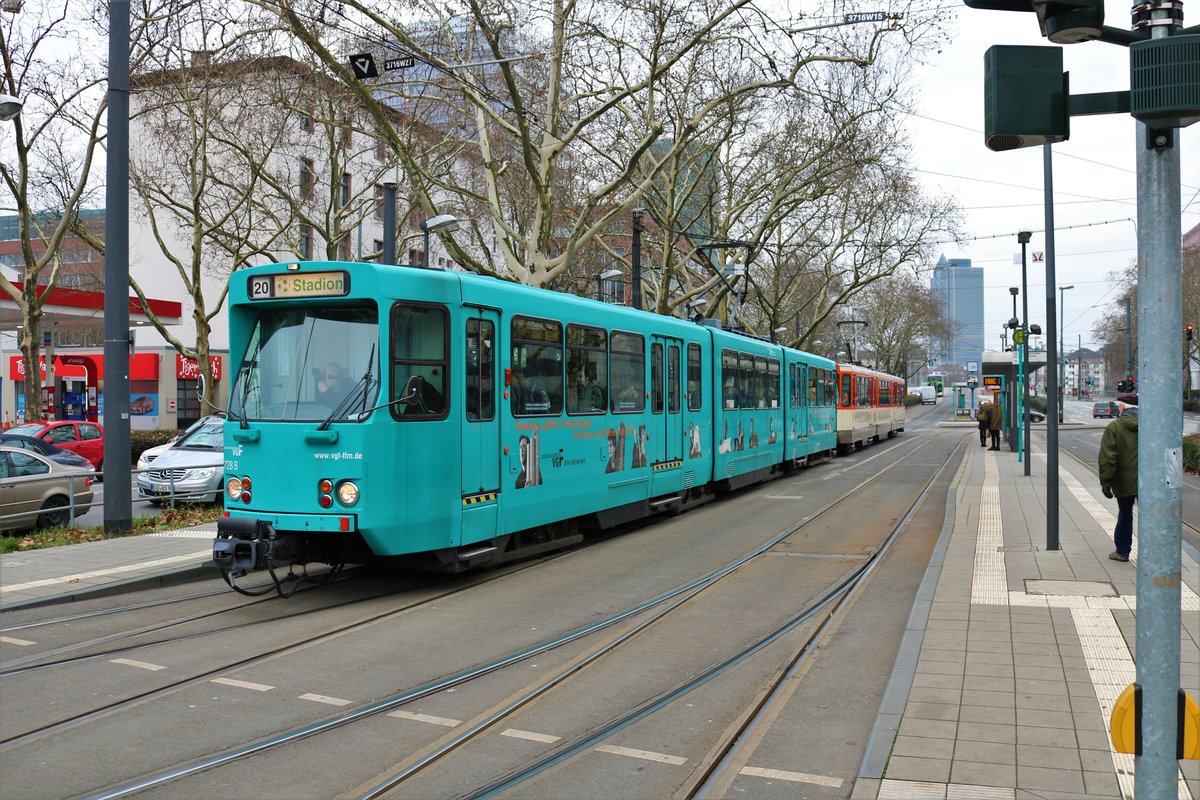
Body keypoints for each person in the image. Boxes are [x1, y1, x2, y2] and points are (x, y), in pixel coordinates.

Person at [1098, 393, 1138, 562]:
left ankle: (1122, 551)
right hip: (1151, 482)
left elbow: (1108, 458)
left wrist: (1106, 481)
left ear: (1122, 407)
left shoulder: (1114, 427)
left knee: (1125, 514)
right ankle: (1154, 553)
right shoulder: (1152, 424)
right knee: (1151, 517)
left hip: (1124, 481)